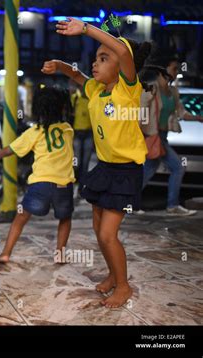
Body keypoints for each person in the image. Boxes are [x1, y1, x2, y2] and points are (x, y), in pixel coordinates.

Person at [42, 17, 151, 308]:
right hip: (103, 168)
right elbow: (78, 77)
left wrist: (88, 29)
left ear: (121, 67)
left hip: (125, 171)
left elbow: (125, 53)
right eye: (95, 58)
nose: (95, 63)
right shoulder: (96, 91)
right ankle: (114, 276)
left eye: (104, 58)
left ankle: (124, 286)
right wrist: (60, 65)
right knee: (99, 232)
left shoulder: (127, 90)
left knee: (107, 234)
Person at [0, 86, 75, 264]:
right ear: (62, 108)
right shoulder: (67, 130)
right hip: (63, 185)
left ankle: (6, 253)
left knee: (21, 217)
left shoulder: (34, 132)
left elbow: (11, 150)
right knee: (65, 218)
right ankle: (59, 254)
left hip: (41, 183)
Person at [140, 55, 203, 216]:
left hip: (163, 136)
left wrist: (197, 117)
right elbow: (140, 112)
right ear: (163, 70)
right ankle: (172, 205)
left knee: (148, 171)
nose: (176, 72)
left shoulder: (173, 92)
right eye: (174, 68)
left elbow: (181, 112)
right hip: (153, 136)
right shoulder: (151, 89)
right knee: (178, 167)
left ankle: (127, 203)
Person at [69, 79, 94, 198]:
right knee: (76, 163)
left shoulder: (93, 101)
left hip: (89, 134)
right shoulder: (75, 99)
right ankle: (72, 186)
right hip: (77, 134)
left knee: (85, 163)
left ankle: (80, 189)